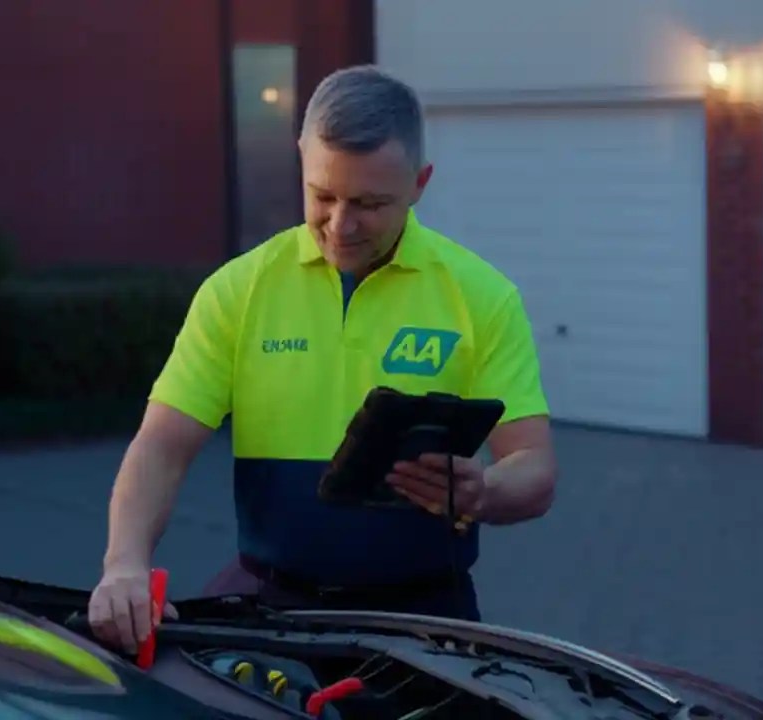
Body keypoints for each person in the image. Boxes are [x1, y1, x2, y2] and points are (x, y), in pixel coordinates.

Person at [88, 64, 558, 655]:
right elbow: (161, 445)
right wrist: (124, 563)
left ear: (420, 183)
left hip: (429, 623)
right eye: (323, 195)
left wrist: (484, 490)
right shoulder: (239, 289)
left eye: (369, 203)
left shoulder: (482, 298)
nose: (341, 224)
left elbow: (535, 468)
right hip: (272, 610)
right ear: (301, 161)